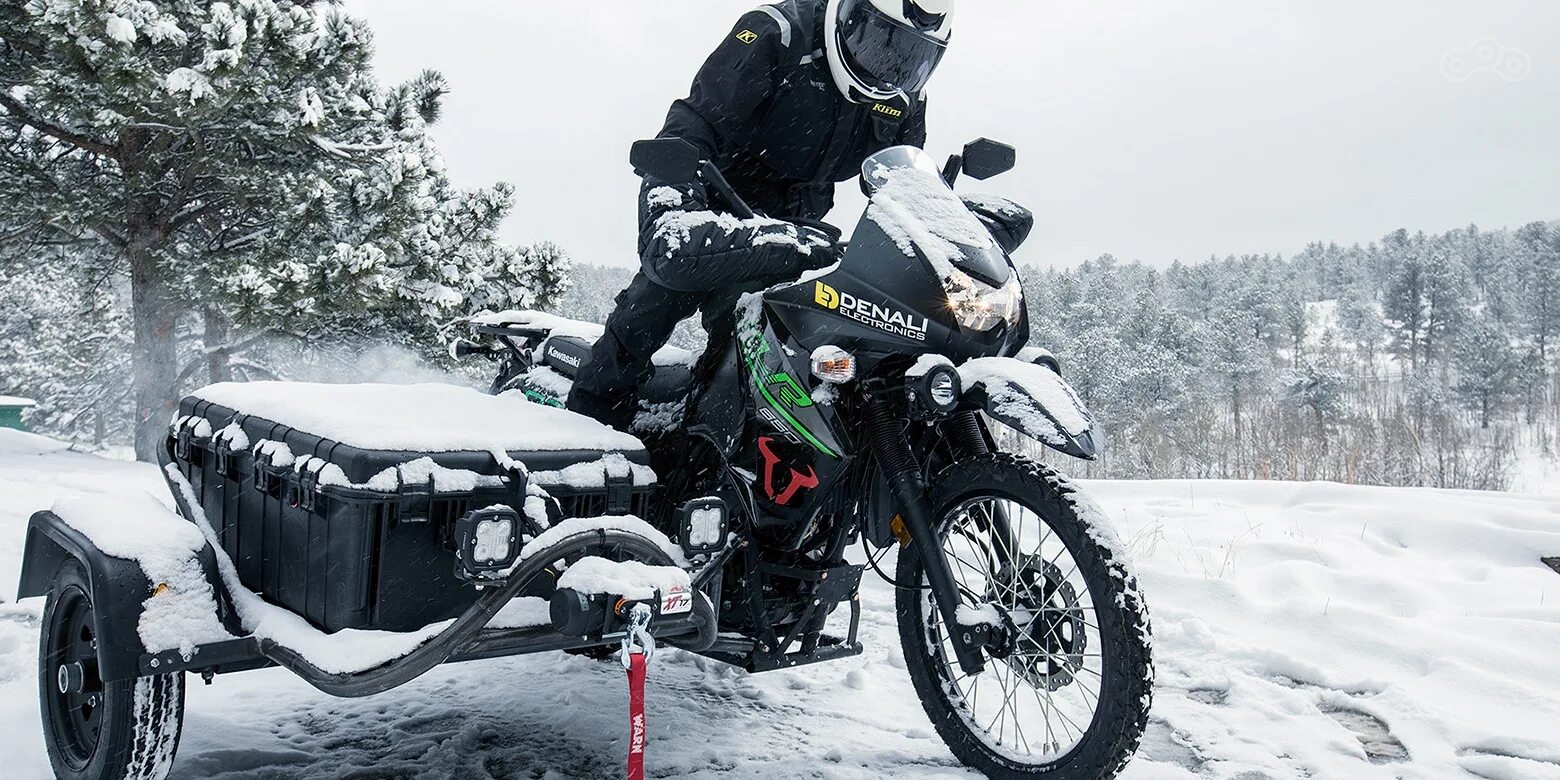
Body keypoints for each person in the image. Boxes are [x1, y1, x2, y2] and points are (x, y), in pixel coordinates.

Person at [568, 0, 1027, 431]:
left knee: (793, 338)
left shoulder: (902, 93)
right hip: (713, 204)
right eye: (880, 41)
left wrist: (944, 230)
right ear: (848, 14)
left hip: (801, 229)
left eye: (911, 55)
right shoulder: (775, 35)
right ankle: (586, 434)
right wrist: (671, 202)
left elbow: (903, 180)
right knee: (650, 307)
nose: (892, 65)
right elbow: (695, 122)